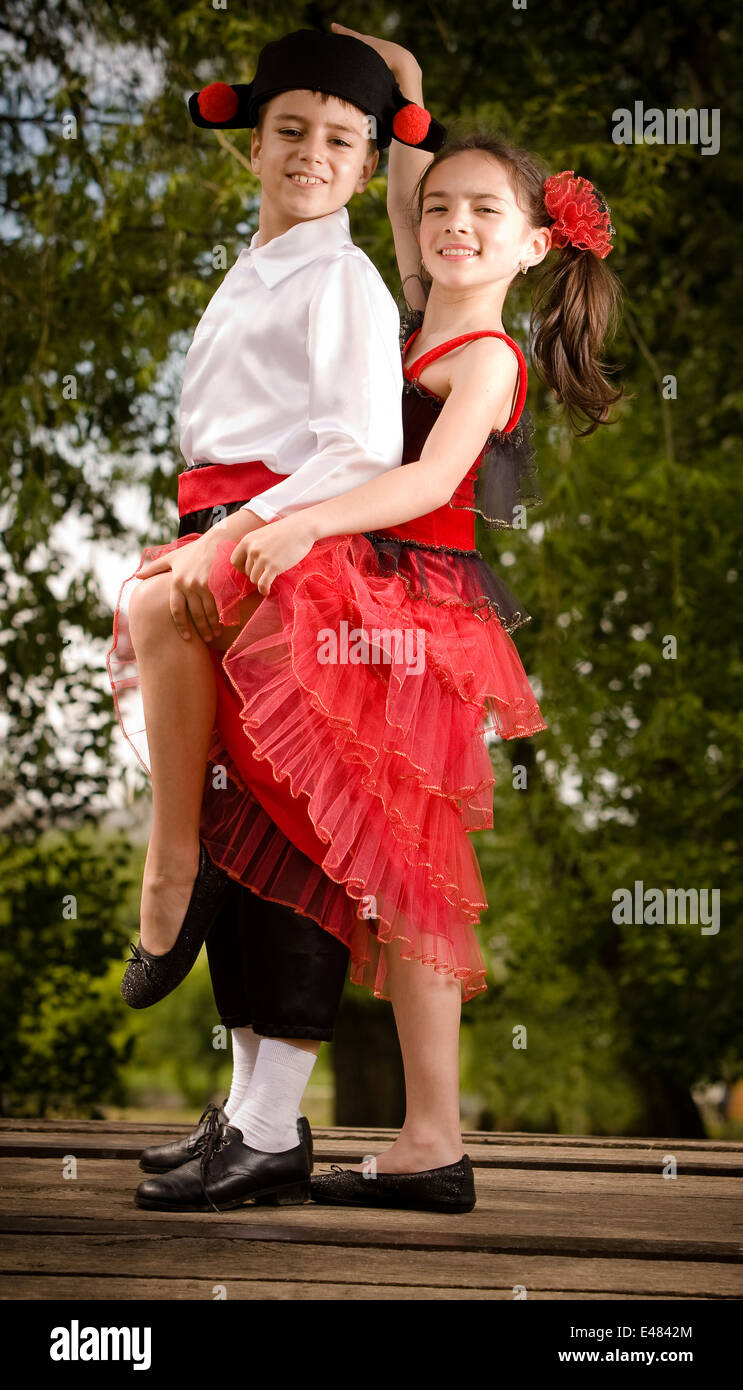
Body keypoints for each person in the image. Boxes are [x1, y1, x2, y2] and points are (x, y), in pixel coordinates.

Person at [125, 26, 624, 1216]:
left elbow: (410, 479)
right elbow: (405, 177)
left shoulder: (480, 351)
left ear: (534, 245)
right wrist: (398, 88)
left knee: (402, 875)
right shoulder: (421, 304)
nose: (448, 226)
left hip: (407, 594)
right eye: (436, 210)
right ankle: (375, 1127)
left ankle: (430, 1134)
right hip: (368, 573)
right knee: (373, 869)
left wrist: (294, 524)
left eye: (482, 218)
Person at [105, 27, 447, 1209]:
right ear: (252, 145)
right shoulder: (252, 273)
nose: (310, 154)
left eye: (339, 141)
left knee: (296, 838)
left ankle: (265, 1120)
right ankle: (253, 1115)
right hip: (227, 542)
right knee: (237, 828)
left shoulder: (344, 277)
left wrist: (222, 540)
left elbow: (358, 447)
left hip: (288, 557)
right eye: (290, 132)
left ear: (365, 166)